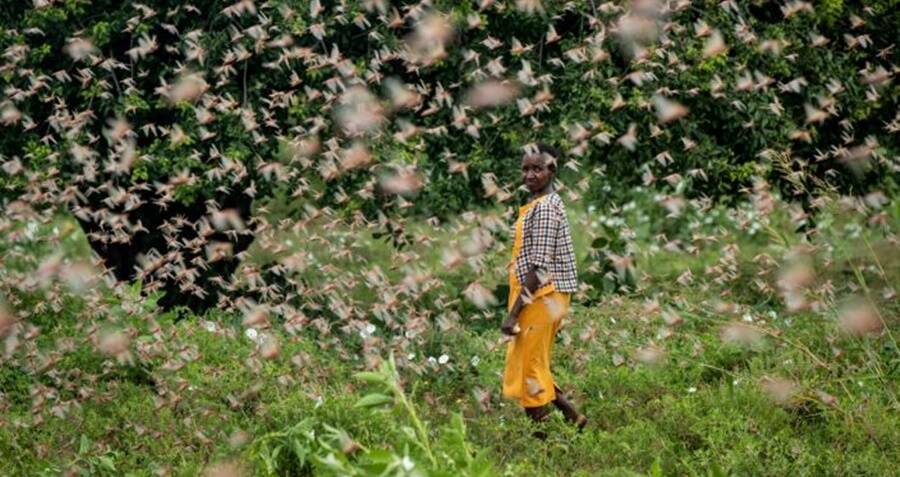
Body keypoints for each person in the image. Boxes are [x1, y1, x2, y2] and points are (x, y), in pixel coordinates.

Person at [501, 143, 587, 436]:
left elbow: (539, 268)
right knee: (535, 364)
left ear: (552, 169)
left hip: (543, 296)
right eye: (525, 168)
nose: (529, 175)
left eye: (537, 168)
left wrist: (513, 316)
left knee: (529, 372)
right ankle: (577, 422)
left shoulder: (547, 210)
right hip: (538, 296)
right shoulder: (536, 205)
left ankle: (546, 446)